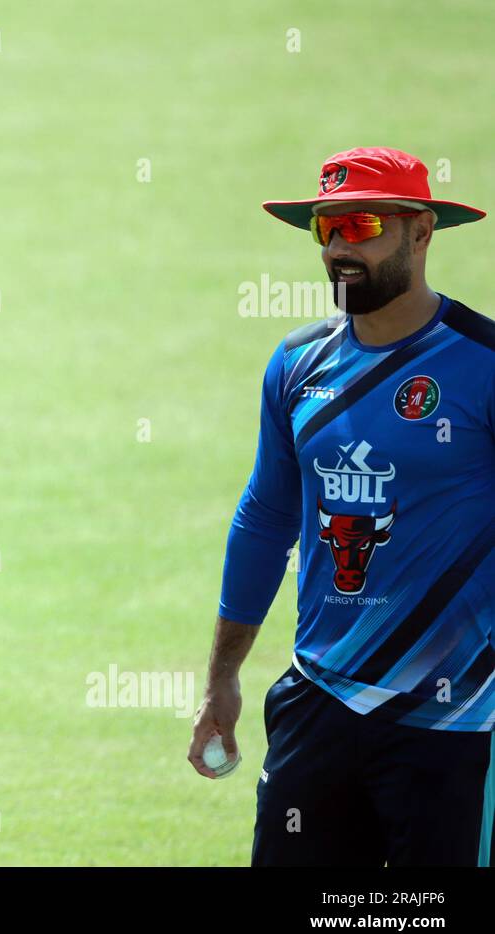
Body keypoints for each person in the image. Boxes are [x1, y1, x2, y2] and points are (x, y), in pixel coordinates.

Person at [188, 146, 495, 866]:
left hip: (451, 719)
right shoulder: (297, 365)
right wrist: (222, 678)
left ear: (421, 231)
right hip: (319, 705)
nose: (336, 248)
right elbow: (264, 521)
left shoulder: (483, 364)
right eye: (324, 229)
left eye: (359, 226)